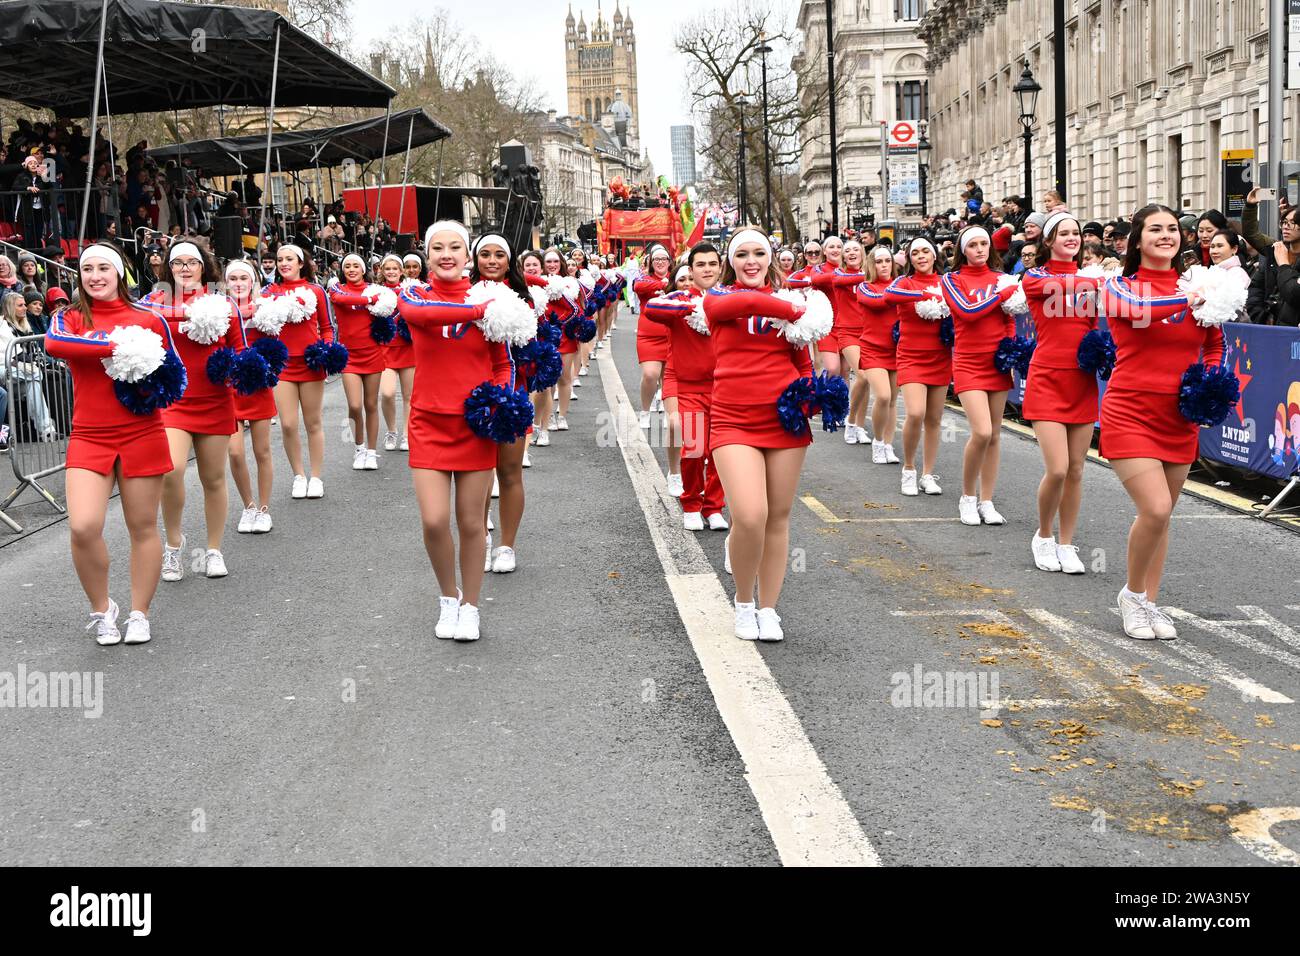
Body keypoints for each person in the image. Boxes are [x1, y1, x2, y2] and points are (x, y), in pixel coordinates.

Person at [1098, 204, 1224, 641]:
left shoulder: (1198, 286)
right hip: (1130, 411)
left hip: (1180, 415)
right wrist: (1186, 299)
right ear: (1137, 239)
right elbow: (1139, 311)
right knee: (1154, 507)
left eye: (1173, 228)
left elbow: (1214, 343)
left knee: (1163, 515)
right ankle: (1131, 596)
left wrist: (1208, 383)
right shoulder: (1120, 284)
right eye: (1155, 229)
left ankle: (1151, 602)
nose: (1166, 235)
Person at [44, 244, 180, 645]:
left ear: (120, 273)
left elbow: (172, 373)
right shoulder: (67, 317)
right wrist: (118, 347)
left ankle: (139, 612)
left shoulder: (149, 318)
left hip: (141, 432)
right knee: (83, 526)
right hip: (89, 434)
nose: (95, 275)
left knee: (142, 526)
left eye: (104, 267)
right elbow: (55, 345)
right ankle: (103, 609)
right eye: (87, 269)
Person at [394, 221, 510, 642]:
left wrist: (498, 398)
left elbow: (502, 363)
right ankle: (448, 596)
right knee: (434, 520)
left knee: (471, 522)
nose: (446, 254)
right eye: (437, 247)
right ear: (427, 255)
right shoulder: (414, 293)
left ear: (466, 255)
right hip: (427, 421)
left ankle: (471, 606)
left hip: (474, 423)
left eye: (455, 247)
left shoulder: (491, 296)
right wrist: (480, 311)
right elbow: (418, 317)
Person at [703, 229, 820, 642]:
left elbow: (802, 361)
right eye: (742, 255)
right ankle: (743, 601)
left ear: (770, 258)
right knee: (750, 515)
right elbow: (750, 301)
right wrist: (796, 306)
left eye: (759, 253)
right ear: (729, 261)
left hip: (784, 419)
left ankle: (769, 608)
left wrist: (810, 395)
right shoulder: (717, 299)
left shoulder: (792, 307)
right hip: (733, 418)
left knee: (777, 517)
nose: (751, 261)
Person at [143, 239, 245, 582]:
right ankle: (173, 546)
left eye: (192, 262)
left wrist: (234, 369)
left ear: (204, 266)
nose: (184, 268)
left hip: (215, 400)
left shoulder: (223, 302)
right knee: (170, 471)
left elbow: (240, 349)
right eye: (177, 263)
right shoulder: (154, 302)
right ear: (167, 268)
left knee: (213, 478)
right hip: (173, 401)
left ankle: (213, 549)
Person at [1021, 212, 1110, 574]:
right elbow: (1056, 288)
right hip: (1047, 379)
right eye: (1064, 233)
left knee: (1075, 470)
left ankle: (1066, 542)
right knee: (1056, 469)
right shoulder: (1036, 276)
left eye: (1076, 233)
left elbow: (1092, 323)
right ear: (1048, 241)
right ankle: (1043, 535)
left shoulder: (1088, 280)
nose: (1072, 238)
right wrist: (1094, 281)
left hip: (1081, 380)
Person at [642, 243, 729, 531]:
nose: (707, 269)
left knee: (720, 452)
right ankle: (691, 503)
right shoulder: (678, 300)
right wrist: (694, 304)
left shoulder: (729, 299)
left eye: (712, 264)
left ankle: (714, 506)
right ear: (690, 270)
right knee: (693, 449)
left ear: (720, 268)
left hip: (725, 388)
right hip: (688, 387)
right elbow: (653, 309)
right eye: (700, 264)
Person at [939, 226, 1019, 526]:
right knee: (982, 432)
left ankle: (987, 500)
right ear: (963, 250)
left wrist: (1009, 352)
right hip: (968, 362)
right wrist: (1001, 295)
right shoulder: (952, 279)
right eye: (972, 245)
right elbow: (968, 311)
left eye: (984, 243)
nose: (980, 249)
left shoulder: (1002, 280)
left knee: (995, 435)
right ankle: (967, 497)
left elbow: (1009, 321)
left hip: (996, 362)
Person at [469, 233, 537, 573]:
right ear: (475, 259)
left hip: (513, 397)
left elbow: (532, 352)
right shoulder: (462, 298)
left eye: (499, 255)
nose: (492, 260)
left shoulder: (524, 302)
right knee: (477, 476)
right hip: (474, 398)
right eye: (485, 254)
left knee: (509, 472)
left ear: (510, 262)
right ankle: (478, 539)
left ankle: (506, 545)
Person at [257, 244, 335, 499]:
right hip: (283, 364)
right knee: (288, 424)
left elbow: (327, 327)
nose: (283, 263)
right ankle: (298, 475)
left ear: (301, 263)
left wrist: (326, 349)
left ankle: (316, 476)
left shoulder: (315, 290)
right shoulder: (269, 292)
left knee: (313, 422)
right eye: (280, 259)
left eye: (289, 258)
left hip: (311, 363)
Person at [885, 238, 951, 496]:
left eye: (926, 251)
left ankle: (927, 473)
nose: (921, 256)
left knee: (934, 419)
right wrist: (923, 294)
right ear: (909, 259)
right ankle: (909, 469)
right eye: (915, 253)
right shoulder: (904, 282)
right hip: (911, 357)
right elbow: (889, 296)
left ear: (935, 255)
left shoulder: (948, 282)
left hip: (941, 357)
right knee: (915, 413)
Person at [224, 259, 276, 535]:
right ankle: (249, 506)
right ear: (225, 283)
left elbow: (277, 345)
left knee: (262, 450)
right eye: (233, 279)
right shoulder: (218, 312)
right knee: (234, 452)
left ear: (253, 281)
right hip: (229, 388)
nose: (239, 283)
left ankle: (264, 508)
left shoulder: (266, 308)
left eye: (244, 278)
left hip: (257, 387)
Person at [327, 253, 389, 470]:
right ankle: (359, 447)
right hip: (348, 356)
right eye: (347, 266)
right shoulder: (337, 289)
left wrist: (371, 299)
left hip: (372, 353)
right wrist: (368, 301)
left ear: (363, 269)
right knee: (354, 405)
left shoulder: (375, 290)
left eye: (356, 266)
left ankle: (371, 452)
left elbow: (391, 309)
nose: (351, 269)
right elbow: (342, 300)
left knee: (371, 404)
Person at [854, 245, 902, 464]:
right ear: (871, 264)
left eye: (887, 261)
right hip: (872, 349)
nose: (884, 265)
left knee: (892, 400)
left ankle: (888, 444)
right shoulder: (865, 287)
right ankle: (878, 441)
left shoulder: (900, 285)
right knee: (883, 396)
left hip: (897, 349)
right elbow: (879, 302)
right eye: (879, 261)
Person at [0, 292, 57, 440]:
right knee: (35, 374)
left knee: (33, 384)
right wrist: (32, 363)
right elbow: (15, 355)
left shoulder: (24, 325)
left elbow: (35, 352)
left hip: (17, 372)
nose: (25, 308)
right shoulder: (3, 325)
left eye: (25, 304)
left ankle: (46, 431)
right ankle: (44, 429)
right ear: (10, 307)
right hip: (3, 368)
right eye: (20, 305)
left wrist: (50, 362)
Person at [632, 245, 673, 430]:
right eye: (656, 259)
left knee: (667, 378)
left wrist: (669, 282)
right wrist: (663, 284)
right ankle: (645, 411)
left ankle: (666, 409)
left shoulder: (676, 277)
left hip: (672, 335)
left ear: (669, 262)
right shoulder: (644, 277)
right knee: (650, 375)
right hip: (648, 336)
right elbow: (637, 286)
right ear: (650, 262)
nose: (660, 262)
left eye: (664, 259)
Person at [378, 253, 416, 452]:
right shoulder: (376, 292)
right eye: (387, 269)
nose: (391, 272)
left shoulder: (410, 292)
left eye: (395, 269)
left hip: (408, 348)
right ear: (382, 271)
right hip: (386, 349)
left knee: (409, 396)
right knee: (387, 393)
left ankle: (407, 435)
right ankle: (391, 430)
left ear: (401, 272)